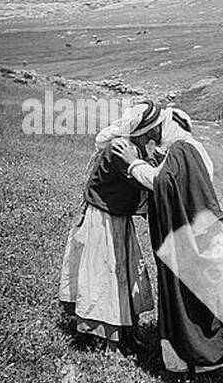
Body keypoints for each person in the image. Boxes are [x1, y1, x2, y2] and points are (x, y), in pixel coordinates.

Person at [111, 102, 223, 375]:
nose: (151, 140)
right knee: (208, 294)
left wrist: (132, 163)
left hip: (190, 237)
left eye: (153, 133)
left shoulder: (182, 151)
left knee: (189, 297)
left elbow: (163, 183)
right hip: (201, 233)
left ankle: (201, 358)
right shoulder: (188, 149)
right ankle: (205, 355)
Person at [57, 102, 158, 346]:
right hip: (104, 218)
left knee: (118, 270)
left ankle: (122, 327)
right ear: (146, 129)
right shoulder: (121, 148)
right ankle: (104, 333)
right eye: (155, 126)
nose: (158, 131)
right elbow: (141, 181)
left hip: (116, 216)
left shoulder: (134, 147)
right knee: (106, 270)